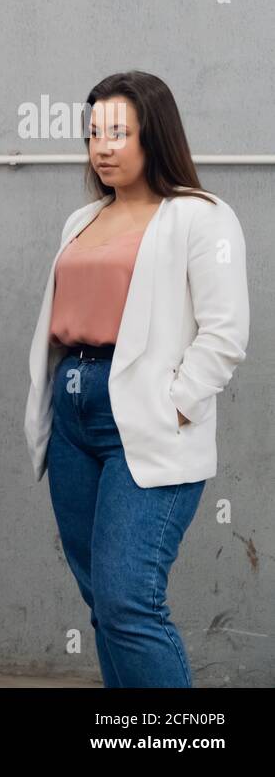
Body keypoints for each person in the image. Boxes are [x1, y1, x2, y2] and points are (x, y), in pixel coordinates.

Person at [23, 71, 249, 687]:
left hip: (142, 418)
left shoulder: (201, 218)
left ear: (154, 134)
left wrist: (175, 406)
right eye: (93, 132)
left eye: (118, 132)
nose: (102, 146)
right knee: (103, 604)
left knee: (130, 603)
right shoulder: (80, 220)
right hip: (74, 415)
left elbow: (225, 333)